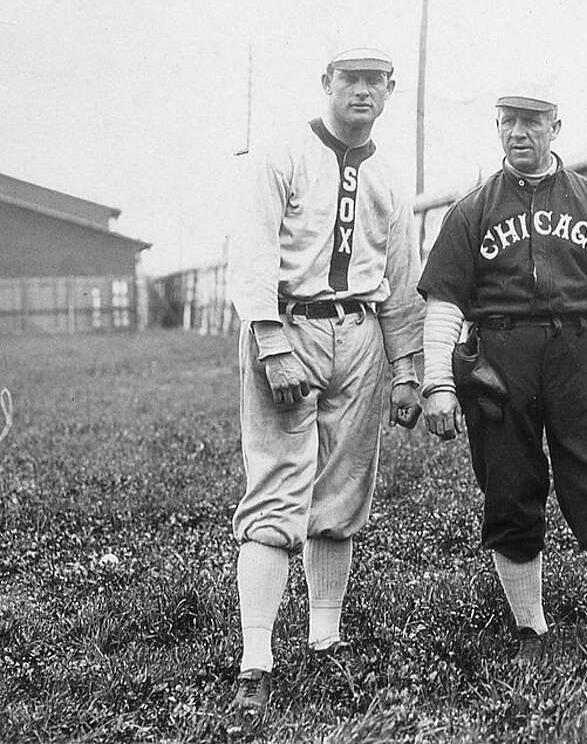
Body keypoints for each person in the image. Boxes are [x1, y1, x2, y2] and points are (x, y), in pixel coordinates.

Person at [417, 90, 587, 659]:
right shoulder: (470, 211)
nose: (519, 133)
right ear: (497, 127)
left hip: (580, 351)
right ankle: (530, 627)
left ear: (556, 126)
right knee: (510, 486)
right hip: (500, 358)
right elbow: (444, 305)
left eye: (532, 122)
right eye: (508, 122)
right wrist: (439, 382)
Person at [227, 47, 424, 715]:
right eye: (351, 78)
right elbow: (251, 247)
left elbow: (400, 279)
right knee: (278, 491)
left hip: (361, 332)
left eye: (376, 80)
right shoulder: (282, 154)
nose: (363, 90)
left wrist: (406, 367)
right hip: (289, 324)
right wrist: (269, 337)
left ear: (391, 89)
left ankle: (325, 637)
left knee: (341, 493)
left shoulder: (390, 178)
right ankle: (256, 660)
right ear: (327, 83)